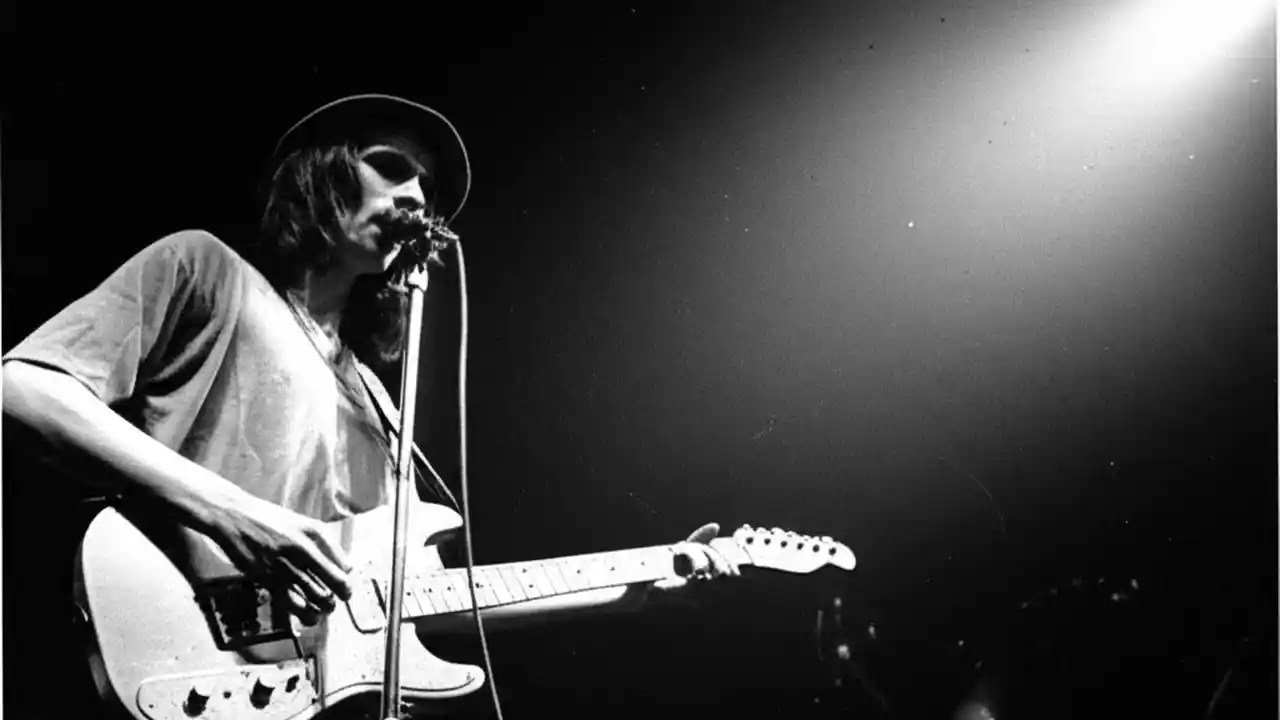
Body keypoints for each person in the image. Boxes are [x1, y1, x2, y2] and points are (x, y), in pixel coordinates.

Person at [1, 93, 738, 714]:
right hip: (175, 650)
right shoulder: (203, 269)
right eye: (391, 167)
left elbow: (412, 599)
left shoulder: (379, 399)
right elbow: (23, 387)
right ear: (319, 175)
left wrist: (638, 589)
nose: (416, 197)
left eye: (428, 190)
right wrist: (239, 516)